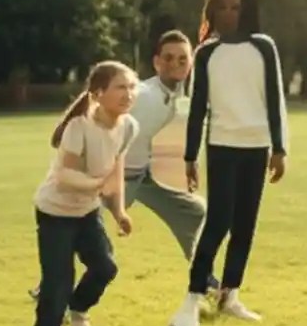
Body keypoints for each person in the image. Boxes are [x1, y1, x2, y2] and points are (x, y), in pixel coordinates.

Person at [28, 30, 214, 303]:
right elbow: (101, 109)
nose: (176, 64)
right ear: (156, 62)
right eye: (169, 58)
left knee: (195, 211)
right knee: (82, 233)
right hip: (116, 180)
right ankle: (51, 290)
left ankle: (204, 280)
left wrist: (189, 161)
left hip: (143, 176)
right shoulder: (144, 94)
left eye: (183, 59)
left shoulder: (176, 95)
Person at [177, 0, 288, 326]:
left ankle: (230, 295)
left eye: (235, 6)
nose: (228, 13)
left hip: (257, 147)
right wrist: (190, 156)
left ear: (246, 9)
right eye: (221, 7)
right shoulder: (207, 52)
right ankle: (193, 297)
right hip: (222, 145)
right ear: (212, 12)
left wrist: (279, 148)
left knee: (245, 225)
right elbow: (198, 108)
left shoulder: (264, 47)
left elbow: (275, 98)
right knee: (219, 222)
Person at [29, 61, 138, 326]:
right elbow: (64, 175)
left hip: (87, 211)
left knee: (105, 267)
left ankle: (78, 311)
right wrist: (95, 185)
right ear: (98, 93)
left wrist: (119, 212)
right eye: (120, 87)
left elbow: (116, 168)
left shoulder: (128, 126)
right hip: (55, 212)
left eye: (131, 87)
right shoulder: (79, 127)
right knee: (58, 281)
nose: (128, 94)